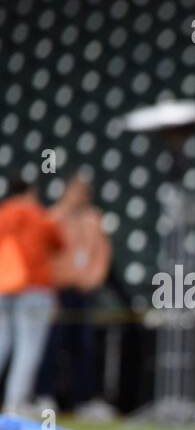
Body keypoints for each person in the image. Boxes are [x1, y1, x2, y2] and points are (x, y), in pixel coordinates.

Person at [40, 174, 112, 416]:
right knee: (52, 344)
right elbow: (45, 256)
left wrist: (92, 279)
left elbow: (102, 254)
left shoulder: (94, 219)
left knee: (84, 347)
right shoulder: (54, 216)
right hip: (57, 292)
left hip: (83, 293)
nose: (80, 196)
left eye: (84, 191)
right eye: (75, 190)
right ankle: (44, 396)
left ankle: (84, 400)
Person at [0, 177, 65, 415]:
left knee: (2, 342)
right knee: (29, 347)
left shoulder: (2, 214)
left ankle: (14, 403)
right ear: (31, 192)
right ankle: (15, 403)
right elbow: (59, 242)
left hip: (3, 287)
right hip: (34, 288)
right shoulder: (38, 214)